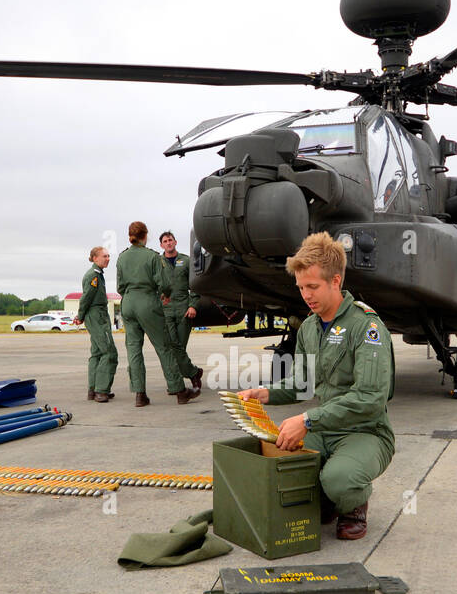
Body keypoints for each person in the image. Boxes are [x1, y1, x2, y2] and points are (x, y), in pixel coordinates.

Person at [238, 231, 394, 540]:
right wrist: (264, 393)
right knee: (278, 467)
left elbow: (370, 398)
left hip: (366, 431)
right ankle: (329, 497)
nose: (306, 295)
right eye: (300, 288)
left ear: (336, 281)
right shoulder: (309, 328)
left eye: (313, 286)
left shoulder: (367, 326)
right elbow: (301, 382)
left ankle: (354, 502)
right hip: (324, 430)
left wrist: (307, 420)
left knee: (338, 481)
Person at [116, 221, 199, 406]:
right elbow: (164, 284)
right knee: (164, 346)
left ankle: (140, 394)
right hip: (147, 302)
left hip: (128, 303)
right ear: (145, 236)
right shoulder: (152, 257)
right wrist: (166, 295)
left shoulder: (122, 258)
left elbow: (120, 286)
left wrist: (131, 296)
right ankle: (179, 390)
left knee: (134, 350)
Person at [158, 231, 203, 391]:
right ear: (161, 245)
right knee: (172, 347)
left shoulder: (186, 261)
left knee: (180, 347)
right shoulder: (157, 263)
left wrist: (193, 305)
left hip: (184, 310)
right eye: (165, 241)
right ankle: (193, 373)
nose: (168, 243)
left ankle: (178, 384)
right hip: (166, 311)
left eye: (170, 240)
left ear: (175, 242)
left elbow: (195, 286)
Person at [75, 245, 118, 402]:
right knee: (109, 352)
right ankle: (101, 391)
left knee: (97, 353)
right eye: (104, 256)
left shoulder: (98, 274)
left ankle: (93, 390)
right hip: (96, 316)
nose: (108, 259)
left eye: (108, 256)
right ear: (94, 258)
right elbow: (86, 297)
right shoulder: (93, 276)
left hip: (96, 315)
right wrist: (80, 315)